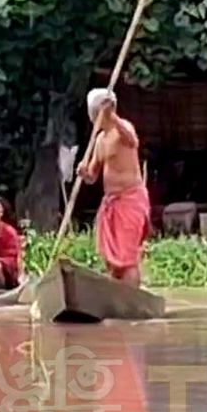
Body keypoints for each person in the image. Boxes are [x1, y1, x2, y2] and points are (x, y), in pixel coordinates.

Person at [76, 88, 151, 288]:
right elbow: (92, 176)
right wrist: (84, 173)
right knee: (111, 258)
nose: (91, 118)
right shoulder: (99, 140)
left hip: (130, 199)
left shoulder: (123, 128)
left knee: (126, 258)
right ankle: (114, 294)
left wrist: (112, 116)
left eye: (92, 113)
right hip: (111, 202)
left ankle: (130, 298)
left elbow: (133, 141)